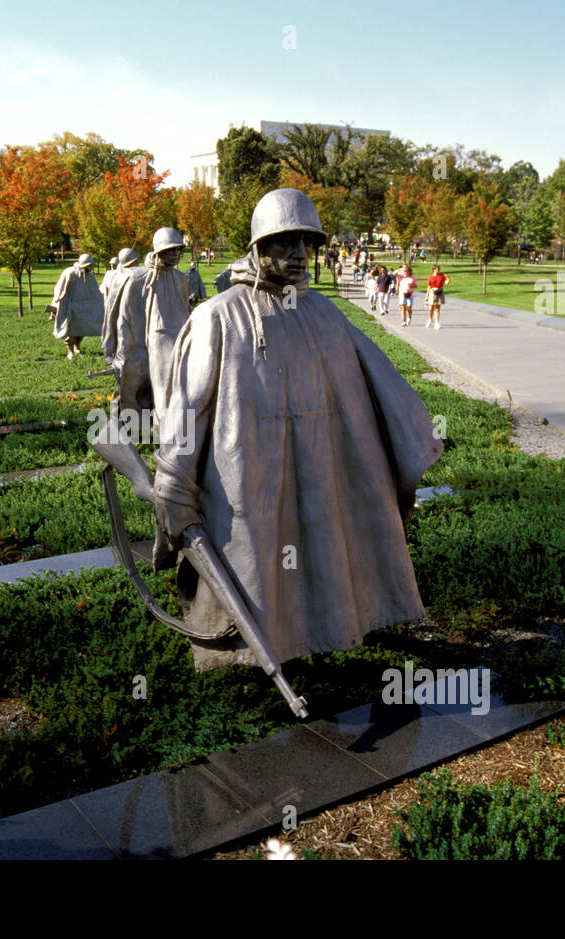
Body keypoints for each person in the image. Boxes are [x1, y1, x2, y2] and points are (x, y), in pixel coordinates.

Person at [150, 188, 441, 673]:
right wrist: (174, 483)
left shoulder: (325, 315)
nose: (300, 254)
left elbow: (377, 392)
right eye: (286, 242)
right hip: (247, 479)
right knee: (256, 558)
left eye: (308, 242)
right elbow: (187, 410)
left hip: (322, 474)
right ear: (258, 248)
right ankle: (250, 652)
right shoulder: (218, 318)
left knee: (322, 548)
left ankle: (329, 630)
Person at [112, 227, 188, 426]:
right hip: (156, 340)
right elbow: (126, 317)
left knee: (183, 384)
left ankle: (176, 426)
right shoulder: (139, 279)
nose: (175, 254)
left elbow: (186, 310)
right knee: (157, 384)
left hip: (181, 337)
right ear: (158, 251)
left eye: (178, 250)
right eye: (170, 249)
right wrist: (123, 347)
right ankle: (156, 426)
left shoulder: (182, 279)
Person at [49, 253, 104, 360]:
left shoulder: (89, 277)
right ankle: (70, 351)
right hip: (70, 306)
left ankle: (77, 348)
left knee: (81, 328)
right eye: (90, 265)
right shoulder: (70, 272)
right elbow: (60, 288)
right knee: (69, 329)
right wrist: (56, 301)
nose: (91, 267)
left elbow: (95, 292)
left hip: (83, 308)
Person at [101, 247, 141, 364]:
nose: (138, 263)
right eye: (136, 261)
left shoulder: (134, 275)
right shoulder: (120, 276)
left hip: (133, 314)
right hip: (123, 314)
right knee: (123, 339)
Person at [425, 264, 449, 330]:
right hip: (433, 291)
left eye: (439, 269)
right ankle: (430, 319)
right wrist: (427, 296)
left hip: (440, 291)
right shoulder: (431, 277)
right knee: (431, 307)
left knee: (438, 308)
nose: (438, 270)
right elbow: (429, 286)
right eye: (437, 269)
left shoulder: (442, 275)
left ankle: (437, 322)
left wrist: (448, 279)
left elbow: (446, 283)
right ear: (434, 269)